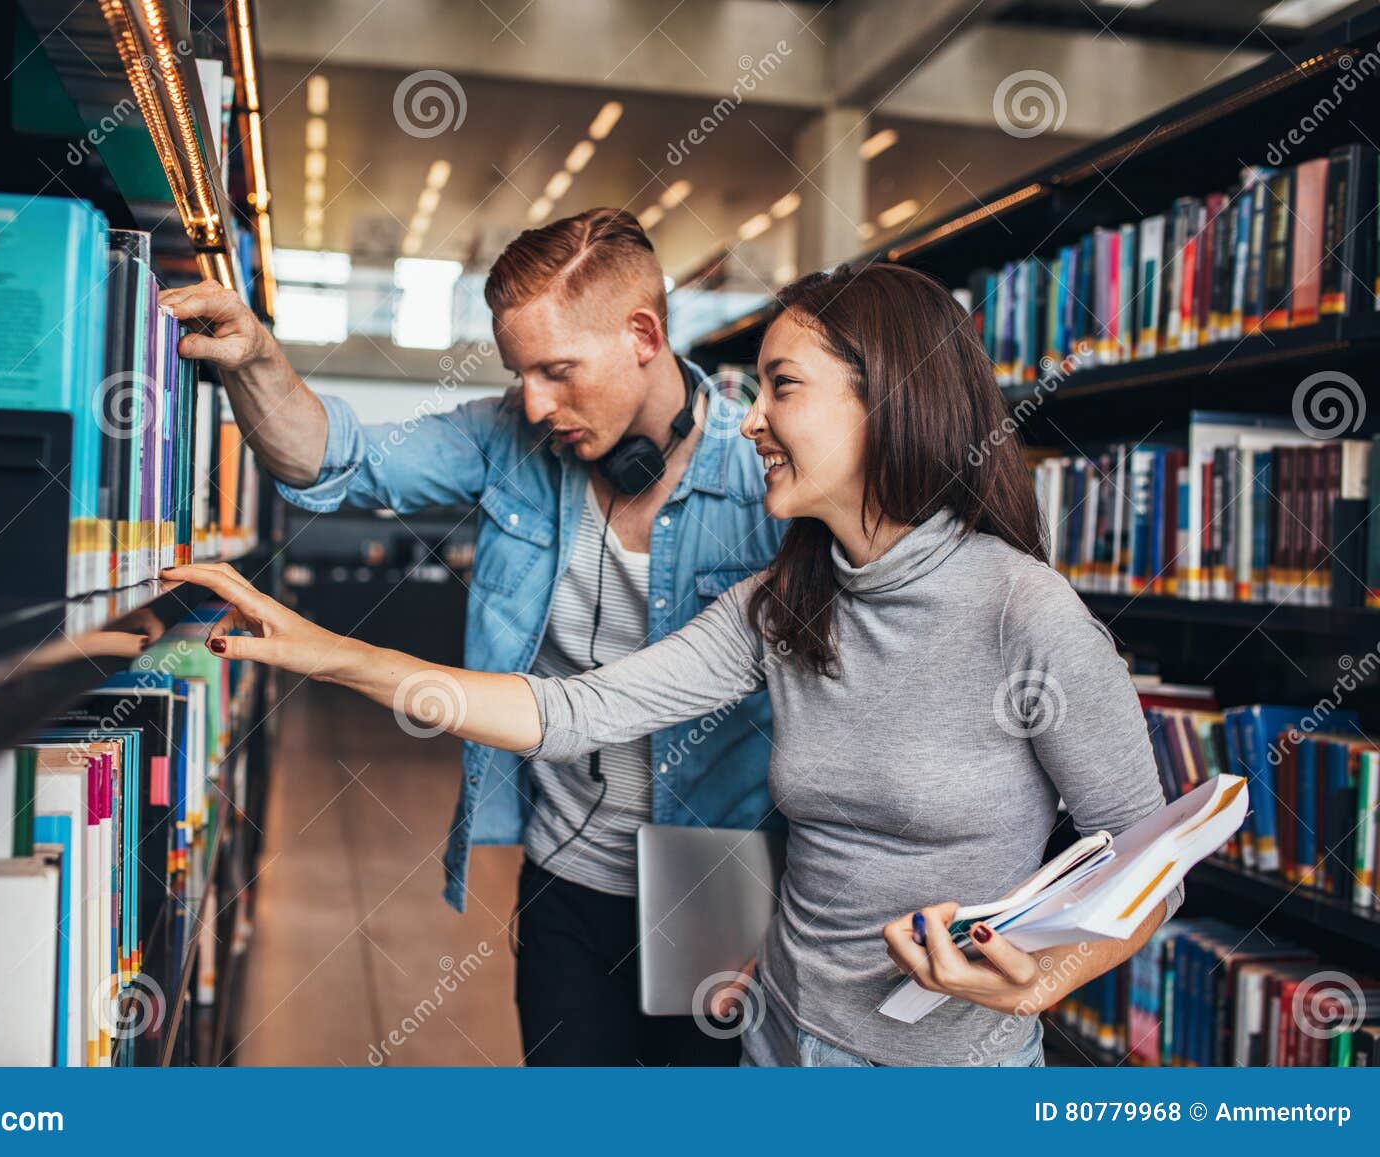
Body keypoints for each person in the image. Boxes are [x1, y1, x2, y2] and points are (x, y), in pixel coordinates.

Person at [164, 261, 1184, 1067]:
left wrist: (1049, 978)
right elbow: (571, 710)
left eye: (783, 386)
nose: (753, 418)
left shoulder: (1025, 613)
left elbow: (1148, 861)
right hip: (774, 1042)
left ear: (889, 401)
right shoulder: (785, 600)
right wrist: (327, 652)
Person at [159, 208, 785, 1066]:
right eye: (519, 372)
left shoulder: (767, 479)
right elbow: (331, 461)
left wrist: (799, 917)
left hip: (721, 890)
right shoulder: (509, 439)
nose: (534, 401)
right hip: (565, 874)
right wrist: (260, 362)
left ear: (644, 333)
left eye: (558, 370)